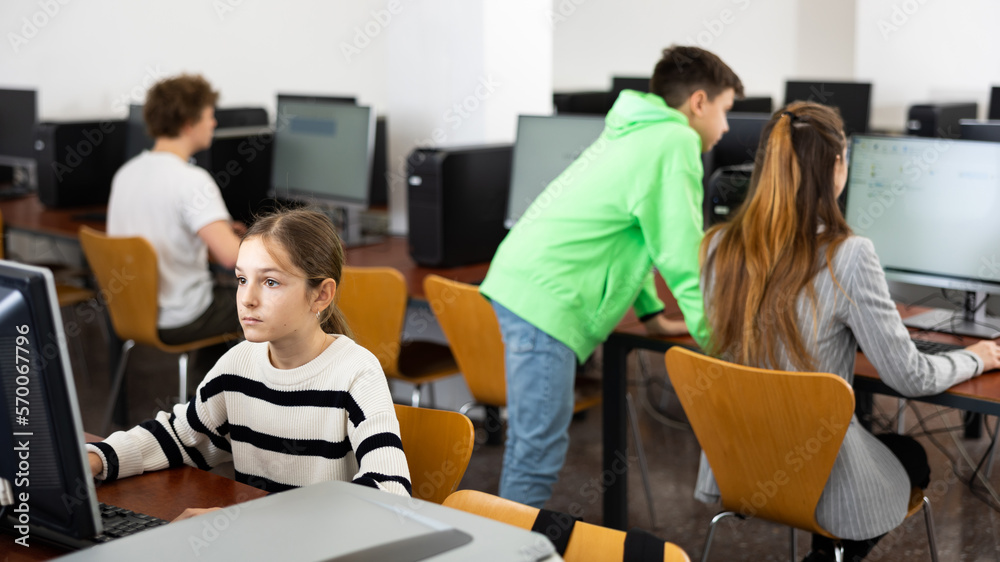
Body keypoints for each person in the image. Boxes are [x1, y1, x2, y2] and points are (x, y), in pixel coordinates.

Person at [695, 101, 1000, 561]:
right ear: (837, 167)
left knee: (860, 435)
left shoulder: (718, 246)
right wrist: (978, 355)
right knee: (910, 456)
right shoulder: (849, 254)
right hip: (814, 471)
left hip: (741, 464)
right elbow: (910, 378)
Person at [478, 45, 743, 508]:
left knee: (529, 445)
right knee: (536, 452)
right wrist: (715, 337)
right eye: (725, 111)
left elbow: (635, 234)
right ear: (699, 102)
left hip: (529, 284)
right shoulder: (674, 141)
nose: (724, 128)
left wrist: (654, 315)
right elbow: (681, 253)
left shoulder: (634, 132)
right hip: (547, 299)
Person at [87, 209, 412, 521]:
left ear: (321, 295)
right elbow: (180, 437)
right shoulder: (238, 365)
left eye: (270, 282)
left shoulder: (356, 374)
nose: (247, 299)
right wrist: (97, 458)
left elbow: (389, 493)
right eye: (242, 279)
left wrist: (247, 519)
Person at [107, 73, 243, 393]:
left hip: (134, 314)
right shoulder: (192, 180)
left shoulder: (126, 173)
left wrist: (214, 231)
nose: (214, 125)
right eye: (210, 117)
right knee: (269, 302)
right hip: (183, 316)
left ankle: (209, 402)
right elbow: (232, 258)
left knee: (229, 303)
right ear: (188, 122)